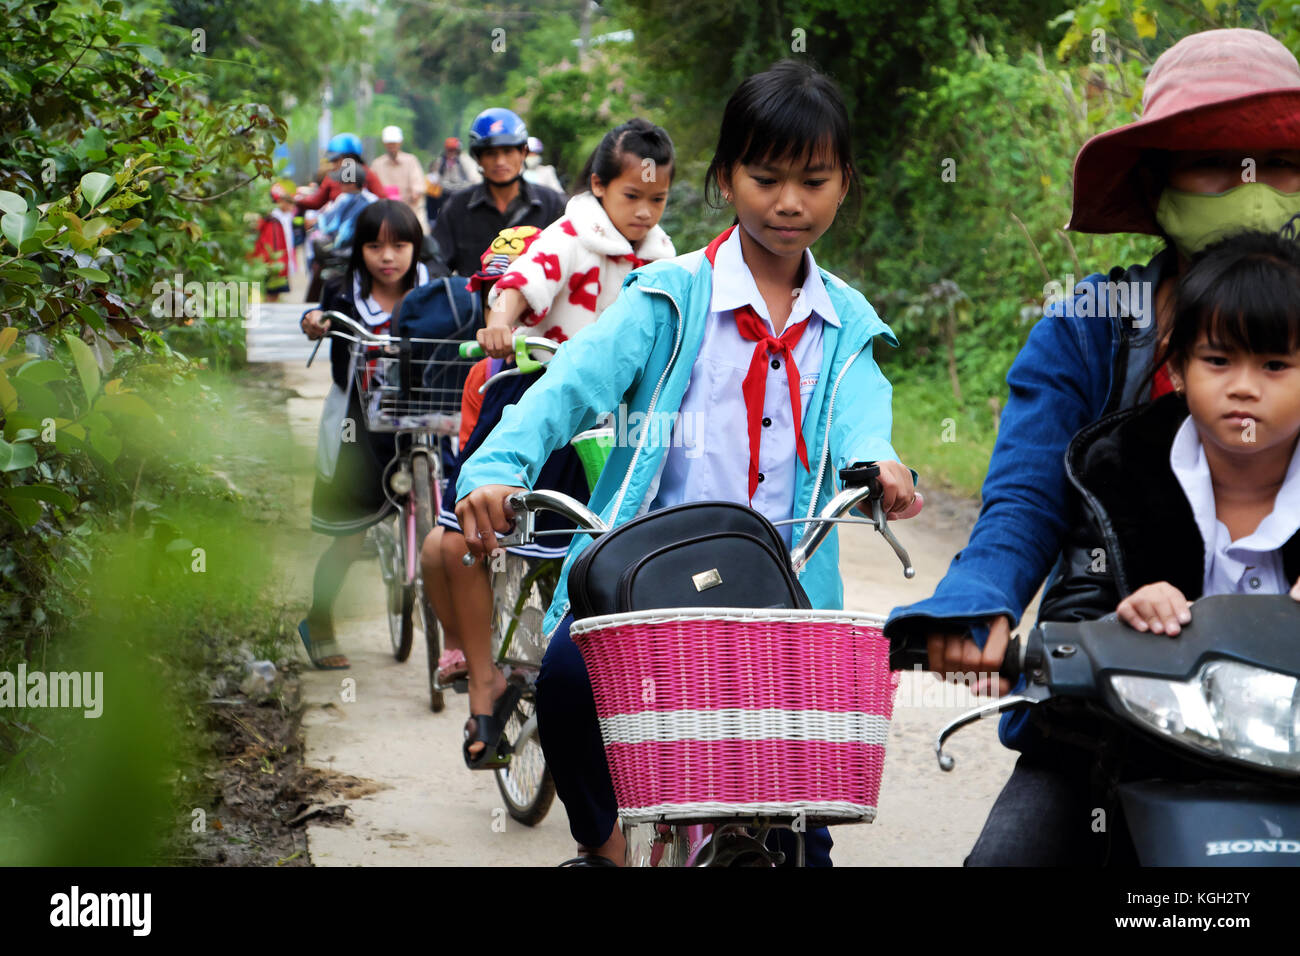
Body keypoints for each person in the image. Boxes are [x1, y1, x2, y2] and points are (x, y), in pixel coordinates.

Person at [455, 61, 919, 866]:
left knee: (803, 832)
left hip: (787, 592)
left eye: (813, 181)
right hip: (646, 581)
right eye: (764, 177)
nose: (788, 203)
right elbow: (563, 389)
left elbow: (862, 413)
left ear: (846, 182)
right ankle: (604, 848)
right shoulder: (667, 298)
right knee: (567, 681)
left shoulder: (846, 322)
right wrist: (496, 466)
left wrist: (878, 462)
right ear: (725, 178)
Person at [880, 28, 1300, 864]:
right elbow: (1025, 499)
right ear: (1156, 186)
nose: (1248, 188)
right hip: (1114, 709)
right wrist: (978, 611)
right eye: (1214, 164)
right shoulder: (1087, 327)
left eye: (1274, 163)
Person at [992, 230, 1300, 865]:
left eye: (1275, 366)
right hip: (1127, 752)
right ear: (1177, 368)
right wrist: (1122, 616)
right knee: (1008, 856)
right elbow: (1070, 619)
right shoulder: (1117, 470)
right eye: (1219, 361)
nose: (1245, 387)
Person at [420, 119, 677, 768]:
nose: (644, 213)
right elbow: (518, 285)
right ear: (598, 188)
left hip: (618, 426)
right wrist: (499, 324)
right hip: (538, 403)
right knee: (460, 537)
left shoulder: (666, 260)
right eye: (631, 197)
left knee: (633, 554)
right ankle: (485, 679)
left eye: (657, 200)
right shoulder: (569, 236)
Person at [297, 201, 431, 669]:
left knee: (442, 520)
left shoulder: (433, 289)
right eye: (374, 246)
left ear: (416, 248)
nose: (387, 257)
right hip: (357, 421)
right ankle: (319, 619)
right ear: (360, 250)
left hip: (422, 419)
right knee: (348, 536)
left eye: (399, 245)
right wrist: (314, 321)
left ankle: (448, 635)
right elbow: (314, 319)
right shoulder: (341, 292)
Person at [430, 109, 566, 276]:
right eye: (490, 153)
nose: (500, 161)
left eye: (508, 152)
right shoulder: (456, 208)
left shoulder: (553, 204)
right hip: (475, 301)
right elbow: (435, 264)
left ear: (523, 152)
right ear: (478, 158)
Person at [295, 133, 387, 210]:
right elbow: (316, 202)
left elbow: (382, 202)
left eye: (336, 160)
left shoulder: (367, 175)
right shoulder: (332, 176)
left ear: (350, 157)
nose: (333, 165)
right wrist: (293, 200)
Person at [372, 125, 429, 232]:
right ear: (384, 144)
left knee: (421, 230)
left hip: (409, 209)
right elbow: (372, 187)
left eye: (394, 143)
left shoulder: (411, 161)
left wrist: (415, 192)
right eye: (389, 143)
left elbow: (418, 184)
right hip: (384, 211)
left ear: (400, 143)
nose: (392, 146)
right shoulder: (377, 164)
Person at [250, 182, 298, 302]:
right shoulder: (274, 221)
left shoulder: (282, 218)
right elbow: (272, 245)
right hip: (274, 264)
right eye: (288, 202)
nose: (292, 207)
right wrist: (276, 265)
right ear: (280, 202)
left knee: (274, 295)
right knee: (271, 295)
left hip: (277, 263)